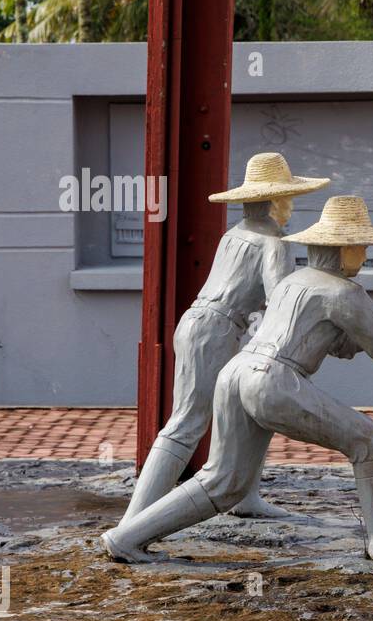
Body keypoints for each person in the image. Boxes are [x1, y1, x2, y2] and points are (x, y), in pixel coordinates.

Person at [103, 195, 373, 565]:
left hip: (235, 373)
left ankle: (127, 536)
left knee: (224, 481)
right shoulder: (346, 292)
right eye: (361, 247)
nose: (364, 256)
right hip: (274, 381)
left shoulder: (295, 281)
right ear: (344, 249)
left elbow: (345, 342)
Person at [124, 152, 328, 522]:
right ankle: (134, 521)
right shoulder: (274, 242)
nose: (292, 207)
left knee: (245, 412)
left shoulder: (233, 234)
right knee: (186, 423)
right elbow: (281, 299)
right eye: (290, 199)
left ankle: (246, 497)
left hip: (203, 325)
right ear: (277, 200)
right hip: (216, 331)